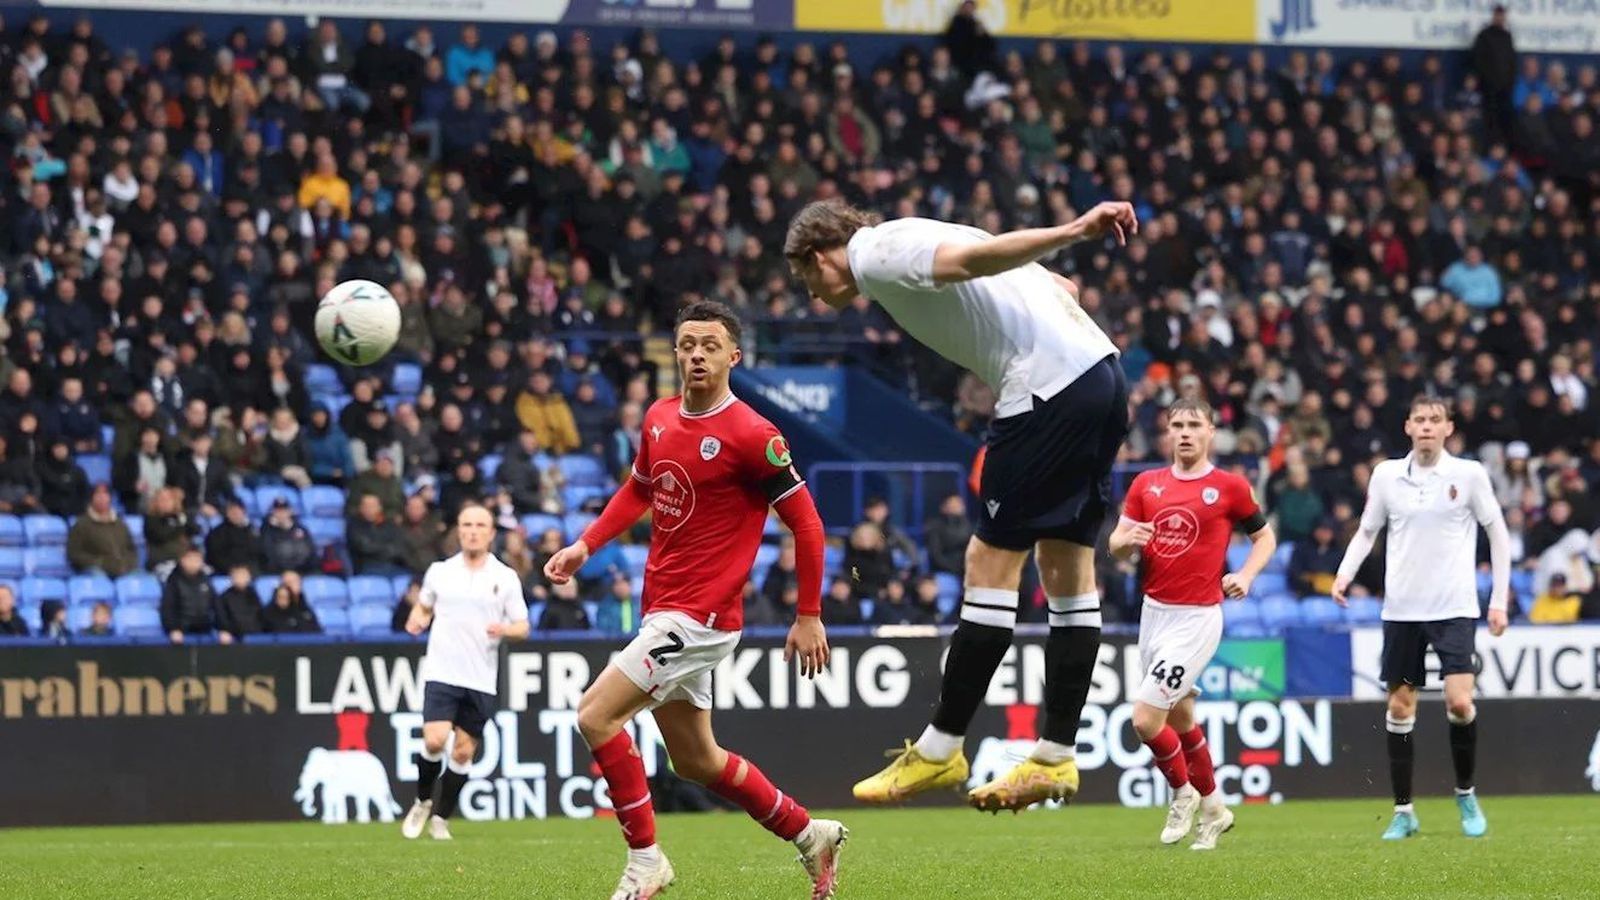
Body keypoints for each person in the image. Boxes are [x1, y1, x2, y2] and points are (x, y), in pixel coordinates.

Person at [787, 197, 1137, 809]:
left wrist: (1076, 229)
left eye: (806, 280)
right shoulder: (922, 233)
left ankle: (941, 747)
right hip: (1101, 378)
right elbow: (1062, 287)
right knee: (1067, 567)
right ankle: (1055, 756)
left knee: (989, 563)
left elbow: (976, 260)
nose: (813, 296)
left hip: (1045, 393)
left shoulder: (877, 253)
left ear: (819, 255)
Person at [542, 301, 846, 900]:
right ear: (676, 353)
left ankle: (645, 861)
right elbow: (640, 490)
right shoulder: (659, 417)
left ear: (734, 356)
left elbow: (808, 525)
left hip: (701, 617)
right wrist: (585, 545)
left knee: (595, 715)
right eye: (687, 345)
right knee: (697, 761)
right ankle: (809, 833)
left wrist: (809, 614)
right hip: (665, 606)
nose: (697, 355)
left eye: (710, 345)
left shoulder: (754, 435)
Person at [1333, 395, 1511, 841]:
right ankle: (1404, 811)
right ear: (1408, 427)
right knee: (1399, 707)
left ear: (1448, 428)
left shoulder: (1468, 474)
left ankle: (1465, 794)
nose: (1427, 426)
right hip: (1402, 610)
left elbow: (1498, 534)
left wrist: (1499, 600)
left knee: (1460, 703)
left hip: (1454, 608)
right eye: (1420, 419)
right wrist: (1344, 574)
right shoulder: (1386, 475)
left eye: (1435, 419)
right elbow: (1368, 531)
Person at [1107, 399, 1277, 851]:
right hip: (1153, 615)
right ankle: (1215, 810)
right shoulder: (1146, 484)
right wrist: (1127, 541)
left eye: (1194, 425)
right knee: (1182, 719)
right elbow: (1116, 544)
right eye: (1177, 425)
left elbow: (1264, 537)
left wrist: (1246, 575)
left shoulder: (1229, 487)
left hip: (1197, 619)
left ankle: (1182, 792)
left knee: (1145, 720)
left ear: (1210, 432)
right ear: (1167, 433)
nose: (1185, 432)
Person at [400, 503, 529, 842]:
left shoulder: (505, 577)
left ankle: (441, 818)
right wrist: (417, 618)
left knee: (462, 752)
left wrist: (504, 629)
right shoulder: (440, 572)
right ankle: (422, 800)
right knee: (434, 740)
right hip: (442, 670)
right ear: (458, 531)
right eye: (467, 525)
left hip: (480, 677)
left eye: (479, 525)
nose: (473, 531)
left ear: (491, 533)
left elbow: (523, 626)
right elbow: (424, 606)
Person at [66, 483, 139, 576]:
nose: (102, 498)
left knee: (143, 577)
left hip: (124, 569)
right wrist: (99, 563)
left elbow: (132, 550)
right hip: (97, 571)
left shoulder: (120, 524)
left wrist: (128, 563)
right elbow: (74, 553)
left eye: (105, 494)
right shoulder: (81, 524)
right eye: (98, 494)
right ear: (91, 498)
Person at [161, 547, 217, 643]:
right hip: (181, 629)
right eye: (190, 559)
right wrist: (173, 629)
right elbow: (167, 608)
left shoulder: (206, 580)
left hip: (205, 628)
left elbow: (216, 605)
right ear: (182, 560)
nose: (193, 563)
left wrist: (224, 629)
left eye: (197, 560)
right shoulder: (173, 581)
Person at [215, 565, 263, 643]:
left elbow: (260, 615)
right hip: (234, 634)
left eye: (244, 576)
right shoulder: (224, 597)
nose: (241, 579)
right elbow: (222, 619)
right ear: (232, 578)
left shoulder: (253, 595)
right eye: (238, 576)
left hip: (254, 634)